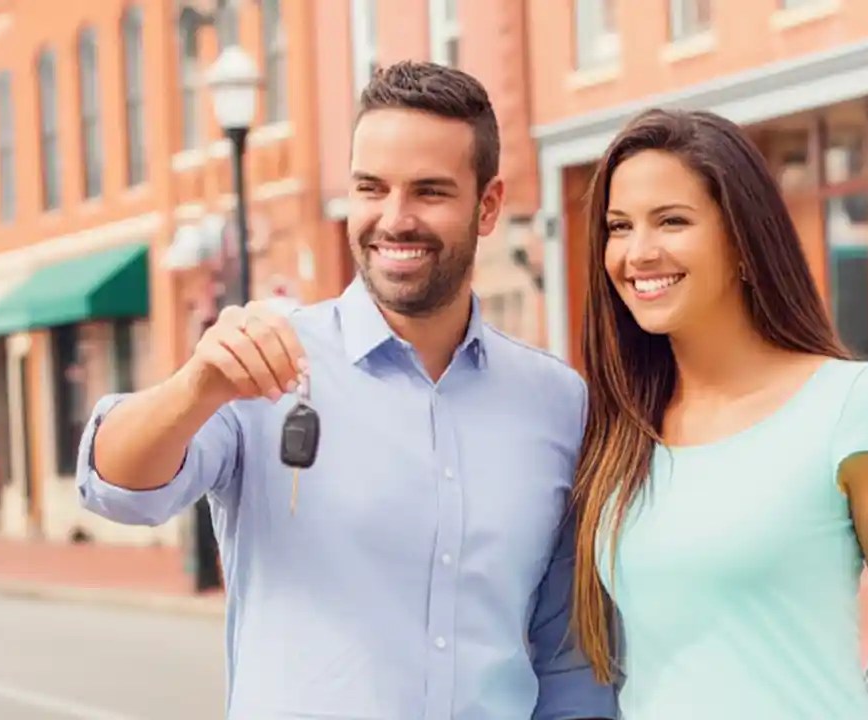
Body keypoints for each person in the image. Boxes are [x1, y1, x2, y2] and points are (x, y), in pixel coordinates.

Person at [77, 61, 617, 720]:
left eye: (429, 191)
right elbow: (116, 488)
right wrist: (196, 386)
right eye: (371, 187)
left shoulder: (558, 403)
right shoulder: (259, 367)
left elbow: (566, 655)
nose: (395, 219)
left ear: (489, 205)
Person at [568, 109, 868, 719]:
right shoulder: (618, 432)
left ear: (743, 238)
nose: (638, 253)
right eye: (618, 226)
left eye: (672, 221)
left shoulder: (848, 405)